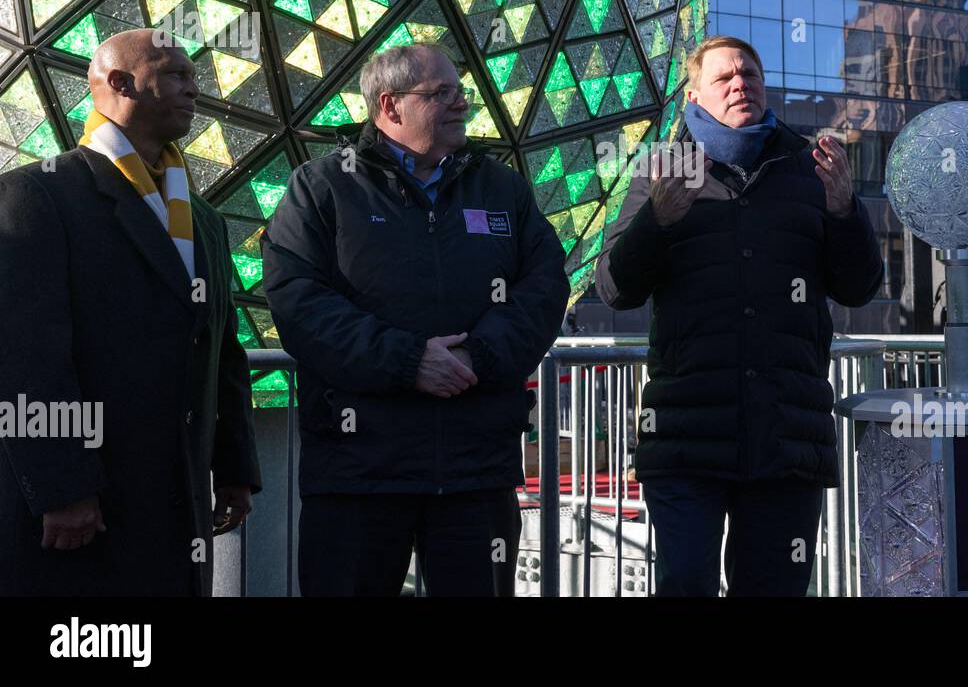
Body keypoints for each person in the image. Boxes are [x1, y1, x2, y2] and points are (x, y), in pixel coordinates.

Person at [261, 43, 566, 597]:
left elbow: (545, 288)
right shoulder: (324, 186)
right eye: (441, 94)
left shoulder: (502, 189)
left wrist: (477, 357)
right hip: (359, 471)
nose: (462, 105)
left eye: (460, 92)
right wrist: (408, 362)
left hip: (475, 468)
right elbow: (296, 298)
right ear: (390, 105)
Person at [596, 35, 884, 596]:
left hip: (786, 437)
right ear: (694, 95)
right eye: (724, 77)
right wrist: (655, 221)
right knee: (684, 584)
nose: (740, 85)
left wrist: (847, 212)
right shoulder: (660, 169)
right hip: (686, 438)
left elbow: (860, 287)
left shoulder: (810, 168)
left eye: (750, 74)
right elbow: (615, 289)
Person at [0, 29, 260, 595]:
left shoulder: (204, 219)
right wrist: (62, 486)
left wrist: (236, 468)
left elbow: (222, 347)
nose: (197, 90)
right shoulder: (37, 196)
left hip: (176, 495)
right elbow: (26, 353)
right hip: (88, 499)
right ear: (120, 82)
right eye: (177, 75)